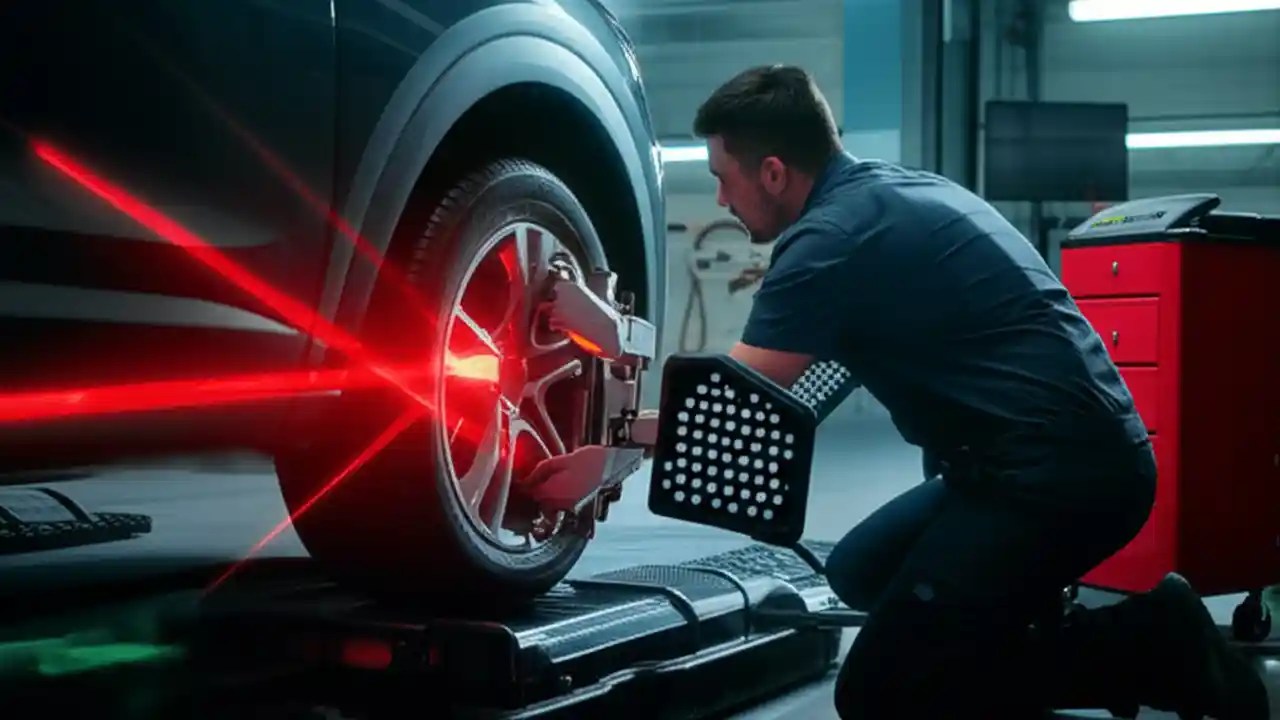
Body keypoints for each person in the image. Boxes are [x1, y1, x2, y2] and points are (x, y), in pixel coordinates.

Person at [682, 65, 1268, 718]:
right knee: (860, 570)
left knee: (879, 692)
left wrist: (608, 441)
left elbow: (728, 401)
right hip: (1049, 460)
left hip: (1056, 482)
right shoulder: (892, 191)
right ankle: (1025, 632)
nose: (719, 201)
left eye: (719, 178)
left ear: (771, 172)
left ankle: (1152, 642)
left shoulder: (829, 240)